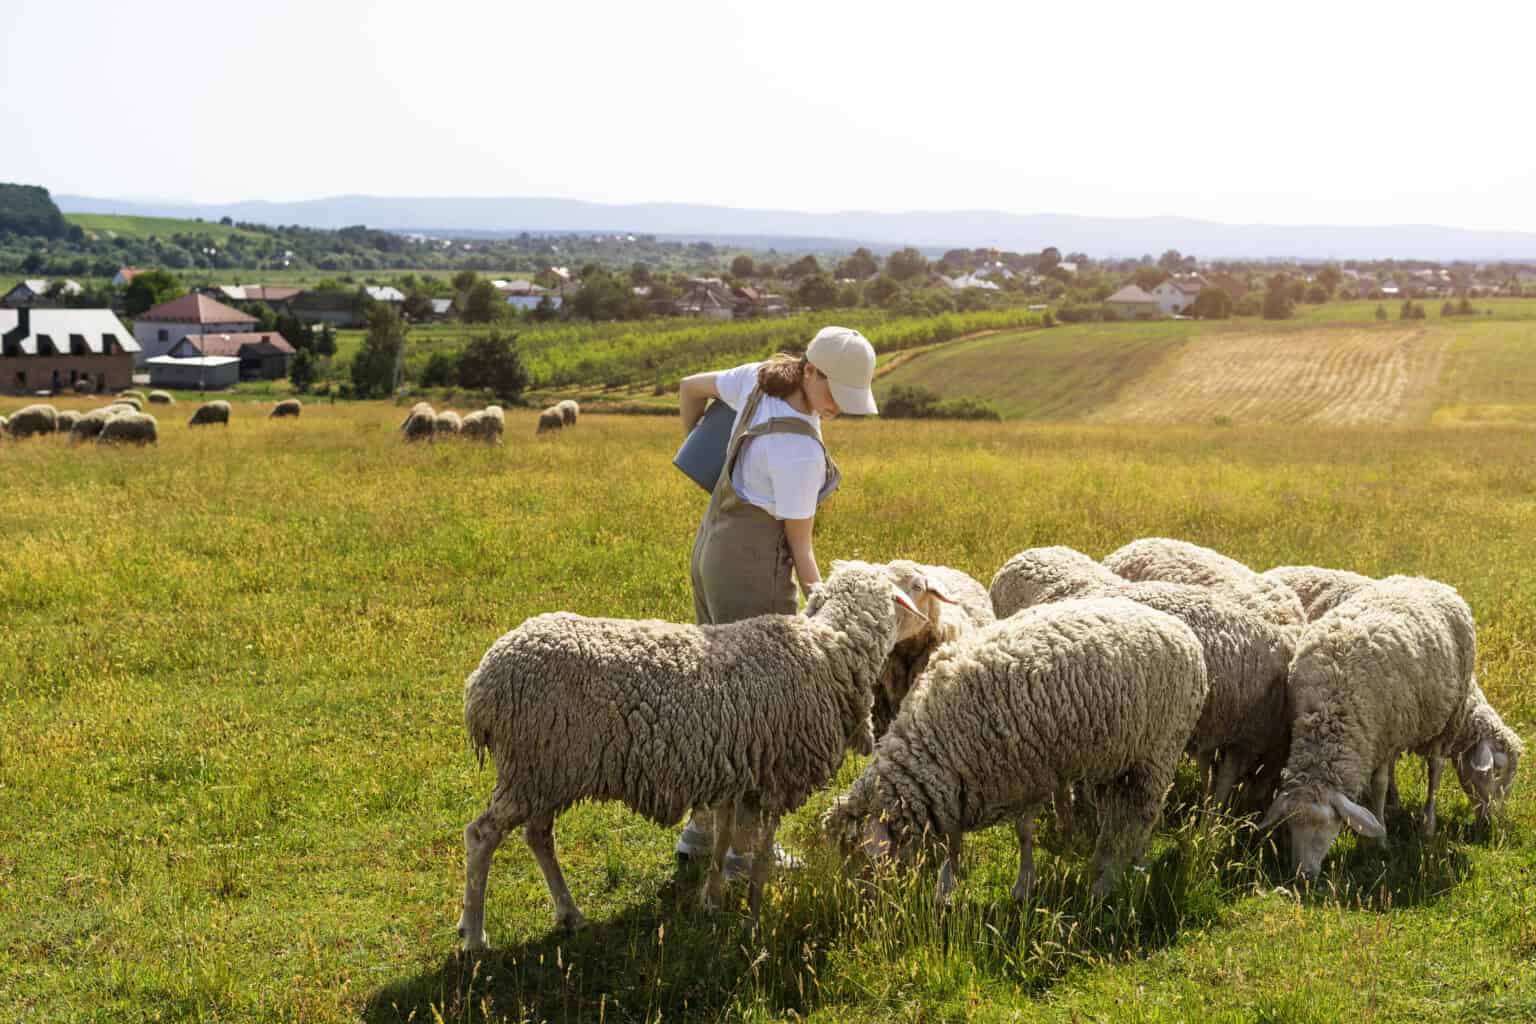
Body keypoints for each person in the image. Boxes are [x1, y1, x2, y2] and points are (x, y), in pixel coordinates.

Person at [673, 325, 879, 866]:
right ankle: (746, 849)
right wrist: (825, 611)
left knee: (719, 696)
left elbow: (690, 388)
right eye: (835, 392)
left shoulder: (758, 380)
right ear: (811, 371)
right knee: (762, 712)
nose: (839, 407)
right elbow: (801, 548)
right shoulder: (798, 452)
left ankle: (700, 831)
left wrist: (705, 454)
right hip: (755, 572)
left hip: (712, 551)